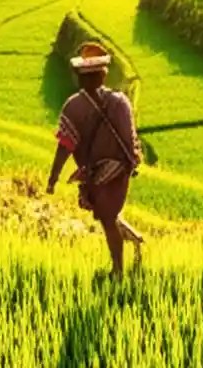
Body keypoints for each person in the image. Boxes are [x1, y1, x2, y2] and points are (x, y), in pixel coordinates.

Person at [46, 43, 144, 276]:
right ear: (104, 74)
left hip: (96, 173)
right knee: (108, 215)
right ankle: (134, 240)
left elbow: (65, 146)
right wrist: (130, 165)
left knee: (107, 218)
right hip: (119, 172)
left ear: (79, 77)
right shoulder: (120, 102)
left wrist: (54, 177)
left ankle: (118, 270)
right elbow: (131, 141)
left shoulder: (73, 107)